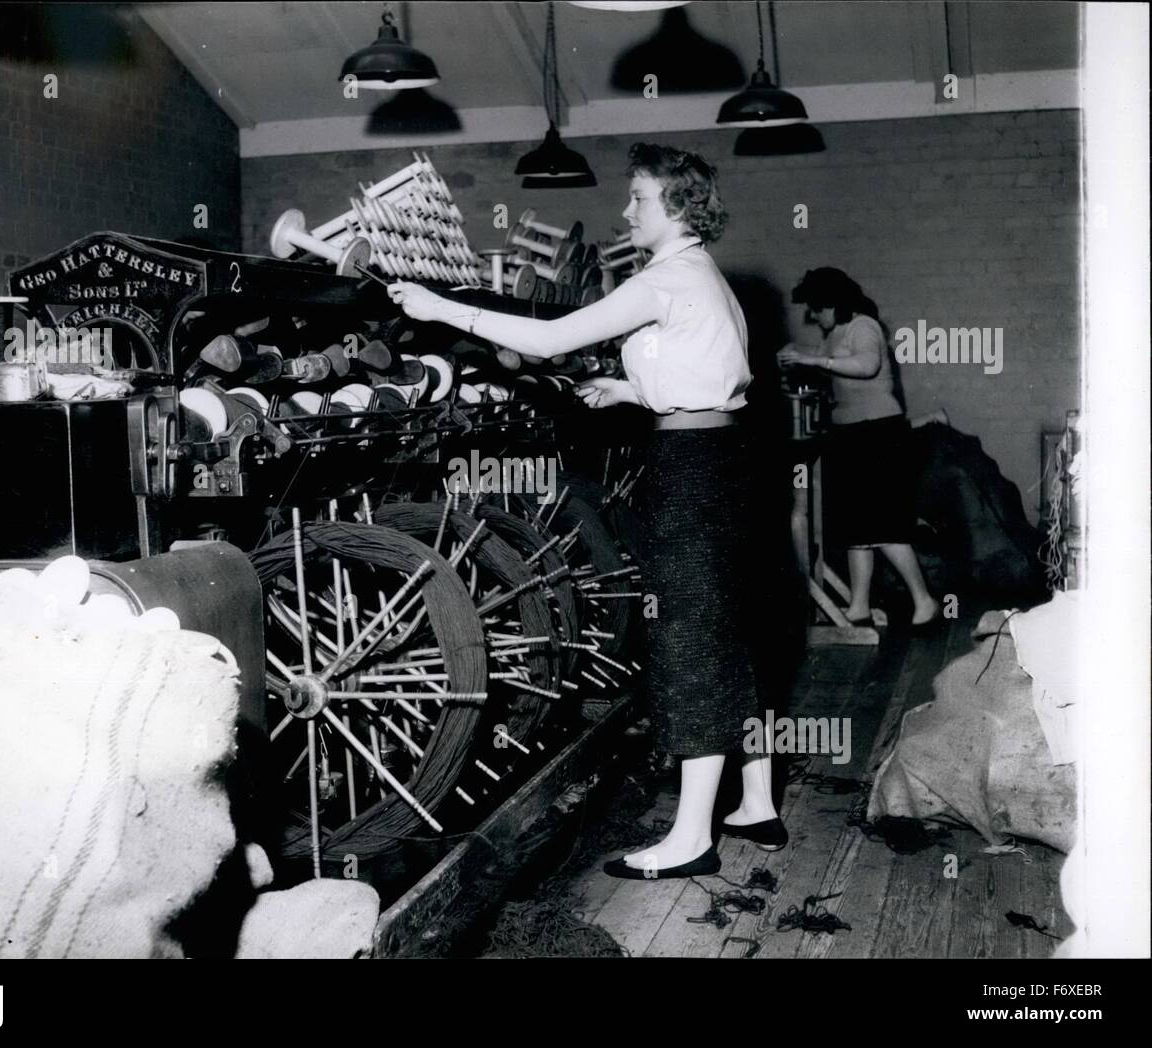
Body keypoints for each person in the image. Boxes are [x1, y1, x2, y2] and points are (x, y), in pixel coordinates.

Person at [388, 143, 785, 880]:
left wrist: (437, 305)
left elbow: (546, 339)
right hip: (723, 458)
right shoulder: (707, 277)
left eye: (636, 197)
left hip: (692, 472)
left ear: (674, 204)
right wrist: (633, 393)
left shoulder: (666, 278)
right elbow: (724, 377)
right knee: (724, 628)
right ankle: (755, 799)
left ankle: (692, 836)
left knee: (689, 636)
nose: (624, 211)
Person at [776, 268, 939, 627]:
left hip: (878, 434)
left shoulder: (864, 326)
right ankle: (859, 605)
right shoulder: (833, 333)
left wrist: (812, 359)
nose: (814, 316)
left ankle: (925, 602)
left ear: (833, 303)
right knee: (856, 530)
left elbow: (867, 366)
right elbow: (824, 361)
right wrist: (796, 353)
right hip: (850, 435)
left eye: (817, 309)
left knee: (882, 526)